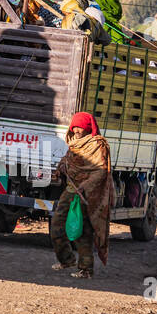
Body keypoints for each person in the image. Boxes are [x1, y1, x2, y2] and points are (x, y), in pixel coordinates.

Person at [49, 112, 115, 279]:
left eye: (80, 126)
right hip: (70, 191)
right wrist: (62, 167)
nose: (76, 130)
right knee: (57, 225)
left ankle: (86, 269)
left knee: (82, 231)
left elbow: (101, 171)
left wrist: (85, 186)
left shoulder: (98, 145)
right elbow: (67, 161)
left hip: (87, 195)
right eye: (74, 126)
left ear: (88, 127)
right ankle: (67, 260)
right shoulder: (74, 145)